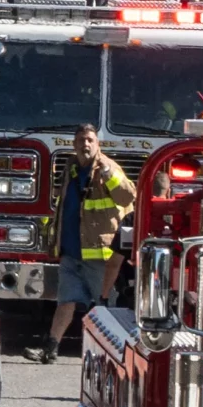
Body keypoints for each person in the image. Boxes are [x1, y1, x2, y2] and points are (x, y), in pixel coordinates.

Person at [41, 123, 135, 364]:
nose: (85, 144)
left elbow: (128, 196)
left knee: (105, 307)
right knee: (65, 302)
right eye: (81, 140)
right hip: (71, 252)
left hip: (99, 255)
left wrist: (109, 175)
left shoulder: (108, 168)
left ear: (98, 144)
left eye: (90, 140)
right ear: (74, 144)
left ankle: (118, 356)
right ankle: (50, 349)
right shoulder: (70, 169)